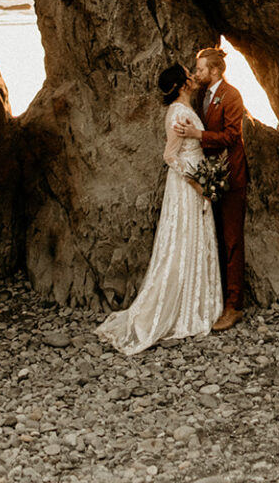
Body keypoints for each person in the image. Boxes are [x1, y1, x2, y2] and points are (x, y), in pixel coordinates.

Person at [96, 63, 222, 355]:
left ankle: (196, 301)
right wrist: (197, 182)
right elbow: (170, 155)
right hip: (187, 185)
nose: (192, 77)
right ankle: (180, 309)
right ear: (180, 86)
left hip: (193, 179)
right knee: (183, 240)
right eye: (188, 76)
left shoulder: (184, 110)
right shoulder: (179, 113)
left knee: (191, 240)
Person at [174, 46, 248, 330]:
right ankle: (211, 299)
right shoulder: (203, 95)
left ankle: (234, 306)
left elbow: (231, 136)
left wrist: (197, 135)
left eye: (201, 69)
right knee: (211, 239)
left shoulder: (232, 96)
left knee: (232, 242)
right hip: (208, 177)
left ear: (215, 71)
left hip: (231, 177)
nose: (197, 73)